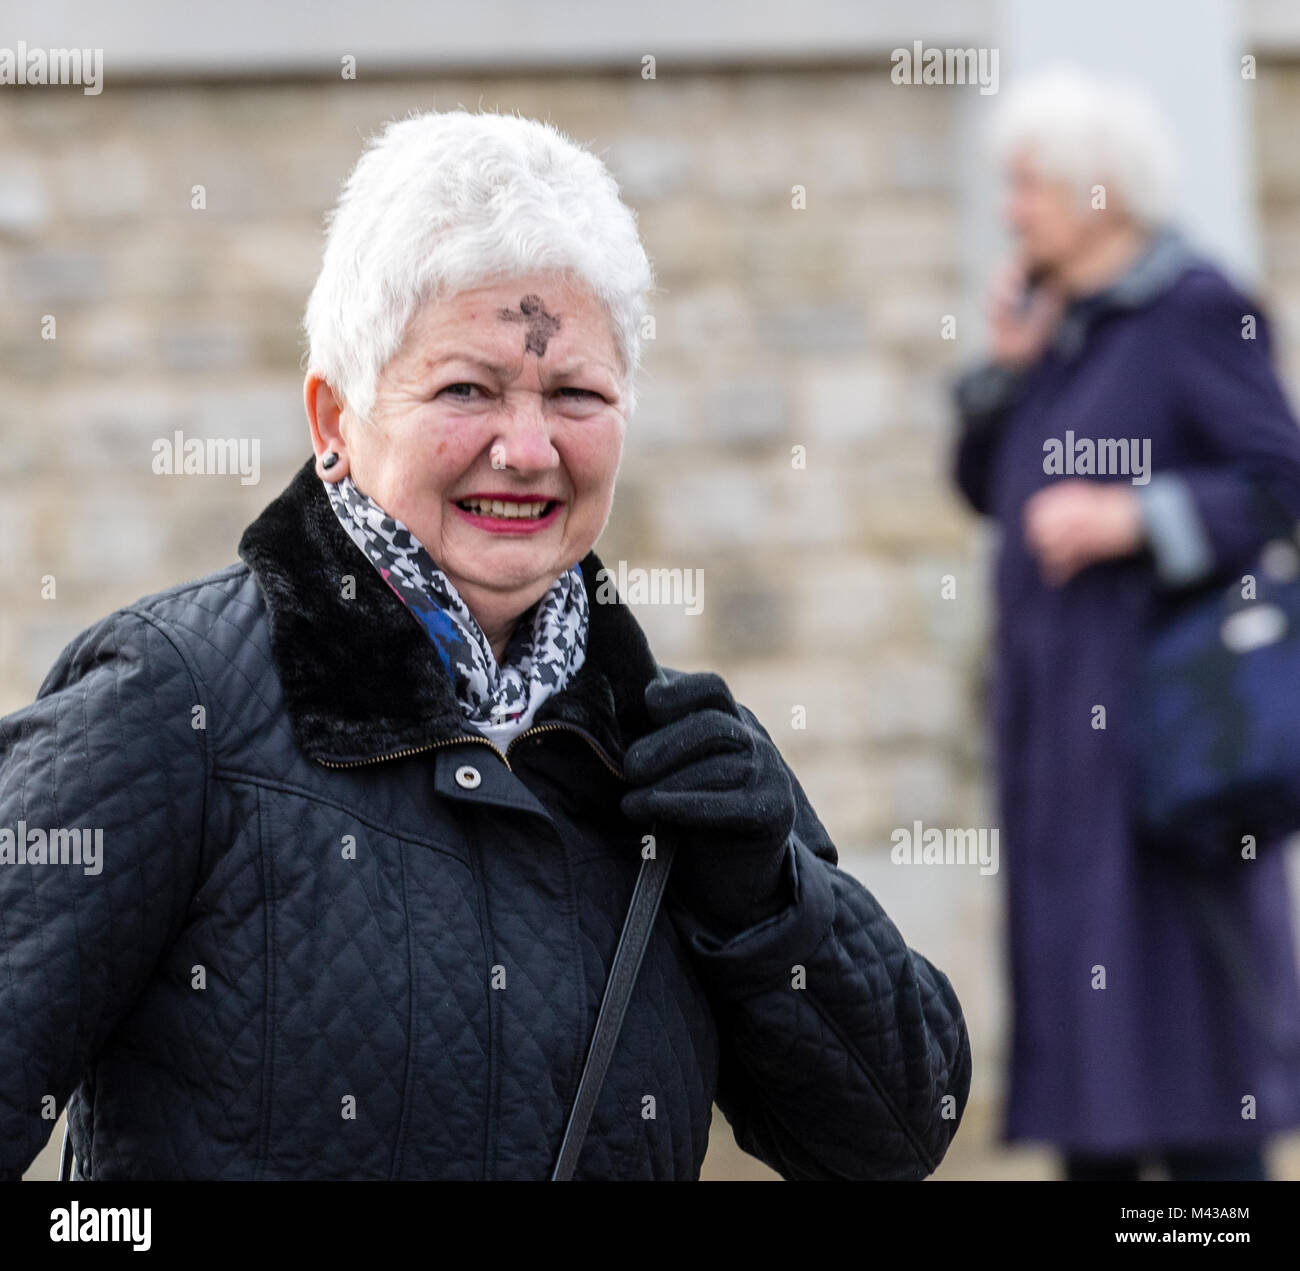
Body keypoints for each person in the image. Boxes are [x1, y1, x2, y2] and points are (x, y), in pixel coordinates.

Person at [0, 107, 970, 1181]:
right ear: (333, 420)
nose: (525, 447)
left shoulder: (675, 753)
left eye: (575, 393)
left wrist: (772, 903)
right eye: (466, 389)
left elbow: (895, 1132)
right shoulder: (167, 702)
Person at [952, 68, 1300, 1181]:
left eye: (1029, 185)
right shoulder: (1059, 334)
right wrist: (1002, 375)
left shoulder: (1195, 306)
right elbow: (981, 487)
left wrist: (1133, 513)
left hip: (1165, 739)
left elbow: (1278, 479)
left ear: (1099, 193)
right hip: (1057, 740)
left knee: (1193, 1028)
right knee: (1085, 1040)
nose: (1011, 208)